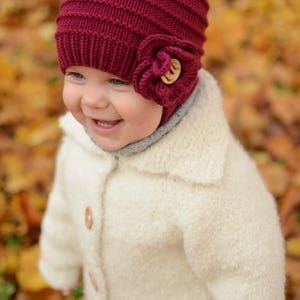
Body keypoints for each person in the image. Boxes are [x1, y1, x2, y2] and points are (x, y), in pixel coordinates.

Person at [38, 0, 285, 299]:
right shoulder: (80, 140)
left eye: (117, 81)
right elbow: (65, 204)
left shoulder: (213, 183)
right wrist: (59, 261)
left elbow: (250, 274)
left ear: (172, 84)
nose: (91, 100)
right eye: (76, 75)